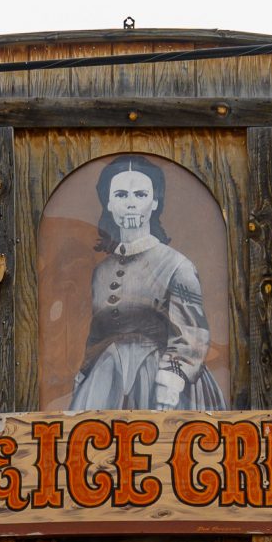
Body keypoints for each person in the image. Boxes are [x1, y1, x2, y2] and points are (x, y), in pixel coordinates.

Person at [65, 156, 226, 413]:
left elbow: (192, 334)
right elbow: (97, 334)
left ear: (154, 203)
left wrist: (173, 378)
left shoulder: (177, 265)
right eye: (121, 195)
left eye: (140, 195)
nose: (130, 204)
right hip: (108, 378)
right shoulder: (102, 271)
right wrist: (85, 375)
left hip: (162, 380)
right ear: (109, 203)